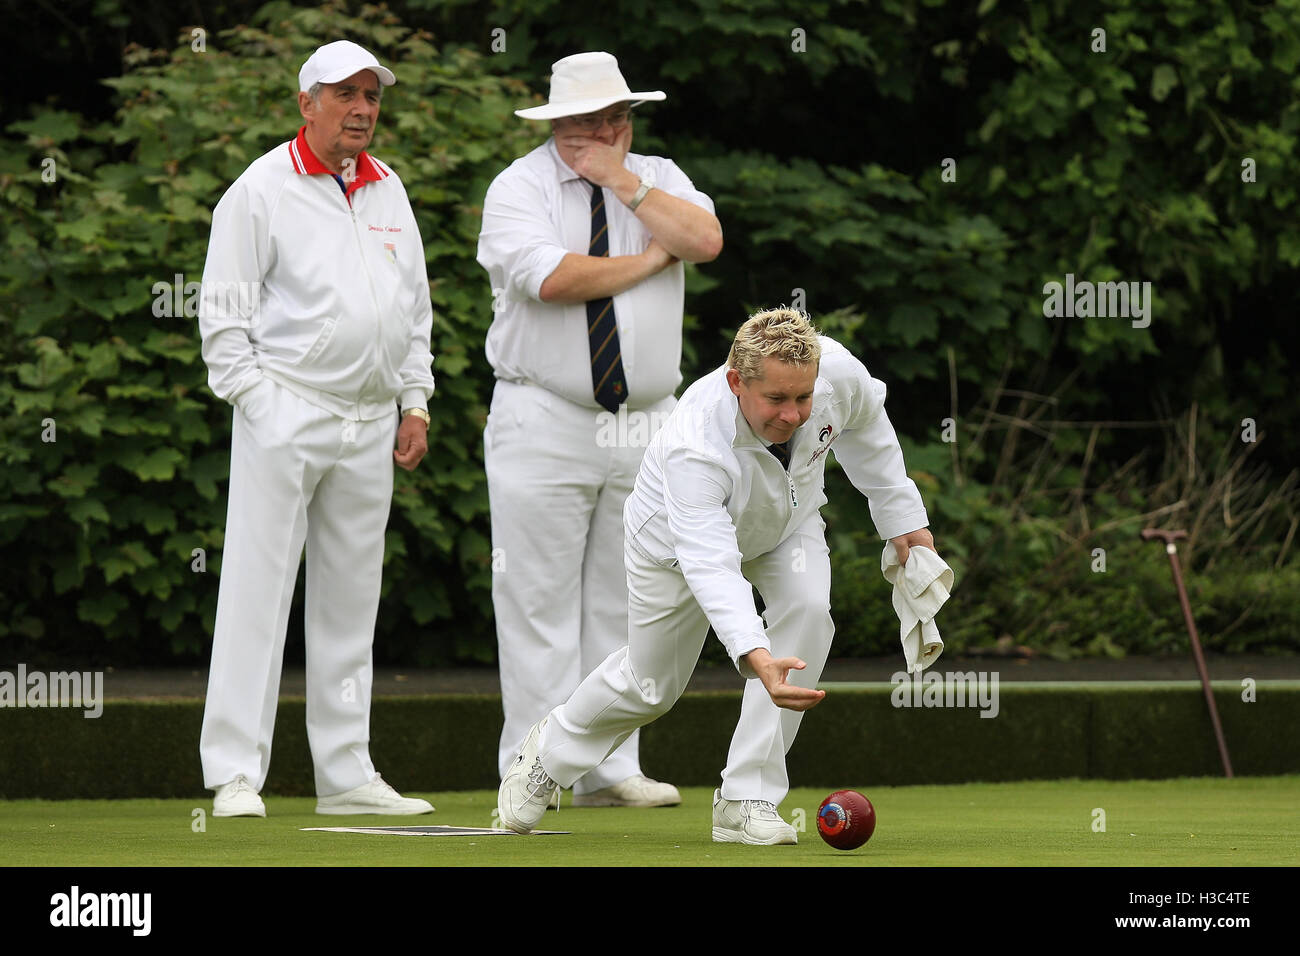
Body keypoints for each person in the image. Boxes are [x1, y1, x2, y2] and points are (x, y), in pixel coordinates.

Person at [498, 307, 939, 842]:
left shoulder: (838, 373)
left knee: (807, 612)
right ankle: (548, 754)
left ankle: (745, 798)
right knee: (652, 685)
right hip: (674, 546)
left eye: (802, 398)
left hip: (786, 526)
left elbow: (869, 429)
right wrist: (756, 655)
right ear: (736, 382)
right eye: (776, 399)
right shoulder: (695, 444)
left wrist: (904, 520)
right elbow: (711, 564)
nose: (794, 415)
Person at [476, 51, 723, 807]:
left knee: (631, 600)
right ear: (559, 126)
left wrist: (625, 182)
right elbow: (555, 280)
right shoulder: (518, 188)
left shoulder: (657, 174)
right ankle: (535, 771)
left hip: (646, 422)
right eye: (592, 120)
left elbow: (706, 240)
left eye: (619, 117)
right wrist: (652, 259)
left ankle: (610, 768)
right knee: (536, 604)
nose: (610, 130)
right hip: (542, 417)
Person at [197, 40, 436, 818]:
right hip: (287, 411)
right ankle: (234, 774)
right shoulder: (258, 190)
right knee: (255, 595)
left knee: (349, 602)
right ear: (307, 104)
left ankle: (345, 776)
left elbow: (413, 309)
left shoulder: (388, 188)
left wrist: (415, 400)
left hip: (371, 424)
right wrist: (268, 415)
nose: (363, 109)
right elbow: (223, 329)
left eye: (372, 95)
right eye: (346, 95)